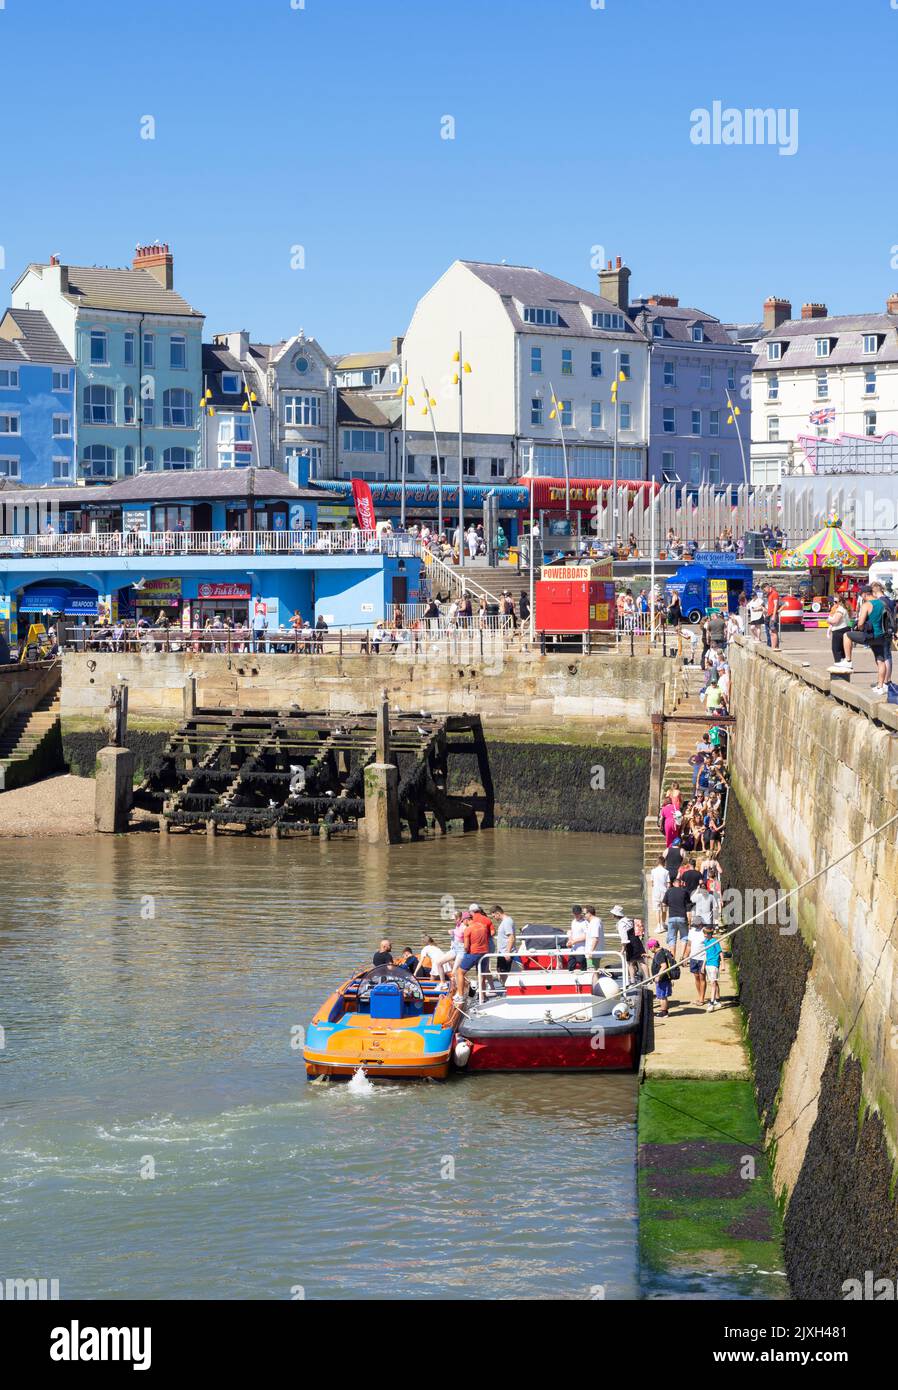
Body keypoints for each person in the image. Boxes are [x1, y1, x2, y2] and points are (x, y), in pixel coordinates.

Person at [844, 586, 892, 695]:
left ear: (865, 594)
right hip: (881, 637)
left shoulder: (866, 605)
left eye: (862, 596)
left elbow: (860, 623)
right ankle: (880, 687)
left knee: (846, 635)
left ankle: (848, 661)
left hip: (870, 636)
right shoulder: (881, 603)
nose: (862, 598)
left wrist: (858, 628)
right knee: (881, 661)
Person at [453, 904, 494, 1003]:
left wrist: (466, 954)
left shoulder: (468, 929)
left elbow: (466, 947)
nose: (463, 923)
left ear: (466, 919)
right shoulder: (483, 926)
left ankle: (461, 996)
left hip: (474, 953)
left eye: (463, 921)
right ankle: (483, 996)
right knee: (481, 974)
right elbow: (490, 936)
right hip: (485, 953)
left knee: (460, 972)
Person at [662, 876, 691, 961]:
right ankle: (682, 956)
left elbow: (664, 904)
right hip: (682, 917)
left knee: (672, 938)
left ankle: (672, 957)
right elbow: (688, 904)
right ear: (680, 884)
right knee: (684, 937)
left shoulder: (668, 891)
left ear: (673, 884)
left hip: (672, 917)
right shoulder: (684, 891)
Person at [647, 938, 677, 1018]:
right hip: (665, 978)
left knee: (661, 996)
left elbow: (664, 966)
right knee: (662, 995)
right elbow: (659, 962)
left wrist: (658, 976)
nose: (650, 949)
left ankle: (664, 1013)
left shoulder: (659, 954)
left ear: (653, 946)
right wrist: (650, 958)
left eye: (650, 947)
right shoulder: (662, 951)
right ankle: (664, 1009)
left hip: (662, 979)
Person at [686, 922, 708, 1005]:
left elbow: (708, 947)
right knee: (696, 977)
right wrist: (685, 957)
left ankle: (702, 999)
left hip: (702, 959)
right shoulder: (691, 931)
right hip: (693, 958)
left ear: (701, 924)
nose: (694, 926)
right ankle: (700, 996)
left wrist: (705, 961)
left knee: (702, 978)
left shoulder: (705, 932)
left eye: (696, 925)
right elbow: (689, 945)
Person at [702, 925, 722, 1011]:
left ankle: (711, 1002)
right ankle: (717, 1000)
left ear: (709, 934)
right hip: (708, 964)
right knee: (714, 982)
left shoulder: (715, 941)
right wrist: (703, 965)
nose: (704, 935)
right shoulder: (706, 941)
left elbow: (720, 952)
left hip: (714, 964)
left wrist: (723, 965)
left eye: (705, 934)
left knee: (713, 983)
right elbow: (706, 954)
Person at [492, 905, 516, 975]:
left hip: (506, 952)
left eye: (494, 916)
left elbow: (511, 937)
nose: (494, 918)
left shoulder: (506, 922)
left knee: (504, 972)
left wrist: (507, 952)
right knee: (499, 970)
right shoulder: (505, 921)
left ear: (498, 913)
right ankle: (505, 985)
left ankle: (507, 985)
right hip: (502, 952)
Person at [566, 905, 588, 971]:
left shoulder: (585, 922)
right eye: (575, 914)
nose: (576, 915)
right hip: (573, 949)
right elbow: (572, 932)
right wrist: (570, 941)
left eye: (578, 914)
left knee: (582, 964)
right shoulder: (573, 922)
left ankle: (585, 978)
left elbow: (586, 936)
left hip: (582, 949)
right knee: (570, 966)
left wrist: (574, 941)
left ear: (581, 913)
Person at [650, 855, 670, 926]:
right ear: (664, 862)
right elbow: (668, 884)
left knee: (657, 909)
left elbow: (652, 883)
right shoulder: (666, 871)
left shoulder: (653, 871)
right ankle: (664, 923)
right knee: (664, 909)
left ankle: (658, 925)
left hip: (656, 891)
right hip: (664, 891)